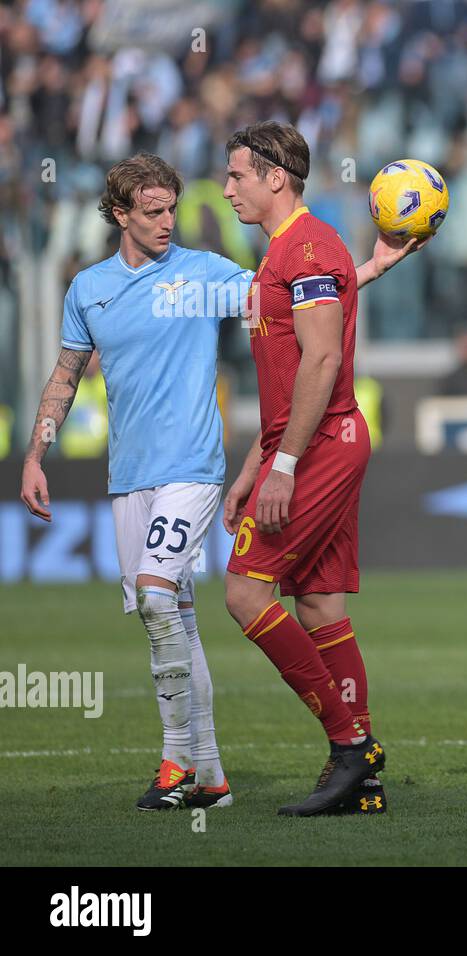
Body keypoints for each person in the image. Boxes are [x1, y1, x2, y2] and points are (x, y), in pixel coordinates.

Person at [19, 153, 244, 811]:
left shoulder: (203, 275)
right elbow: (66, 376)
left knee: (154, 593)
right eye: (153, 212)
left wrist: (366, 269)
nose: (168, 222)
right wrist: (36, 455)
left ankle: (175, 762)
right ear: (120, 214)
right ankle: (212, 777)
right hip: (130, 478)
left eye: (171, 208)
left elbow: (289, 290)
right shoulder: (89, 288)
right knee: (169, 620)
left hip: (192, 469)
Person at [220, 121, 427, 817]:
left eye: (238, 176)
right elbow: (293, 367)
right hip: (307, 441)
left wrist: (280, 467)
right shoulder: (302, 251)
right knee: (318, 605)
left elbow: (324, 361)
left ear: (276, 178)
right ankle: (360, 782)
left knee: (247, 595)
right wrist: (254, 466)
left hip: (318, 449)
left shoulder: (304, 246)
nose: (227, 189)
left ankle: (350, 746)